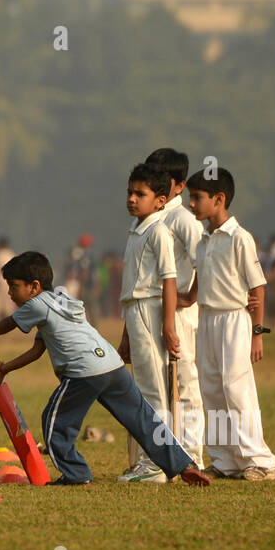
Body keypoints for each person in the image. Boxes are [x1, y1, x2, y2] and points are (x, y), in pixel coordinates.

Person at [0, 251, 209, 488]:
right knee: (142, 419)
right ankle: (183, 465)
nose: (9, 293)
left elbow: (10, 322)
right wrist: (4, 371)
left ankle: (76, 475)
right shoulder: (59, 299)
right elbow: (36, 351)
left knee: (55, 423)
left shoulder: (37, 304)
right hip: (112, 366)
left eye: (14, 286)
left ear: (34, 287)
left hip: (83, 372)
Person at [184, 166, 275, 481]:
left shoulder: (240, 238)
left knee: (236, 389)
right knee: (211, 389)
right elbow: (200, 278)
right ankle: (226, 460)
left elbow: (257, 286)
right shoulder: (203, 240)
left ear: (219, 199)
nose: (191, 204)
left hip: (235, 319)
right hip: (207, 318)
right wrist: (185, 299)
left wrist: (258, 333)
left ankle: (261, 461)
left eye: (197, 198)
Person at [116, 162, 181, 483]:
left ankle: (156, 464)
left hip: (151, 310)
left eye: (140, 194)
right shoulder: (135, 229)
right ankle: (150, 459)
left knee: (155, 390)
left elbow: (169, 280)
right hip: (135, 311)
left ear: (160, 200)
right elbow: (130, 289)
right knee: (142, 389)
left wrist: (168, 325)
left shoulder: (159, 231)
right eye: (129, 192)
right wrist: (126, 333)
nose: (132, 199)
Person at [143, 147, 207, 469]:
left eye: (162, 179)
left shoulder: (182, 218)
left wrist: (191, 295)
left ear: (179, 185)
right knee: (158, 384)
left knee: (185, 382)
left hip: (179, 312)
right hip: (155, 309)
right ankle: (166, 455)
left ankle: (192, 455)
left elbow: (203, 260)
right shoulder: (153, 217)